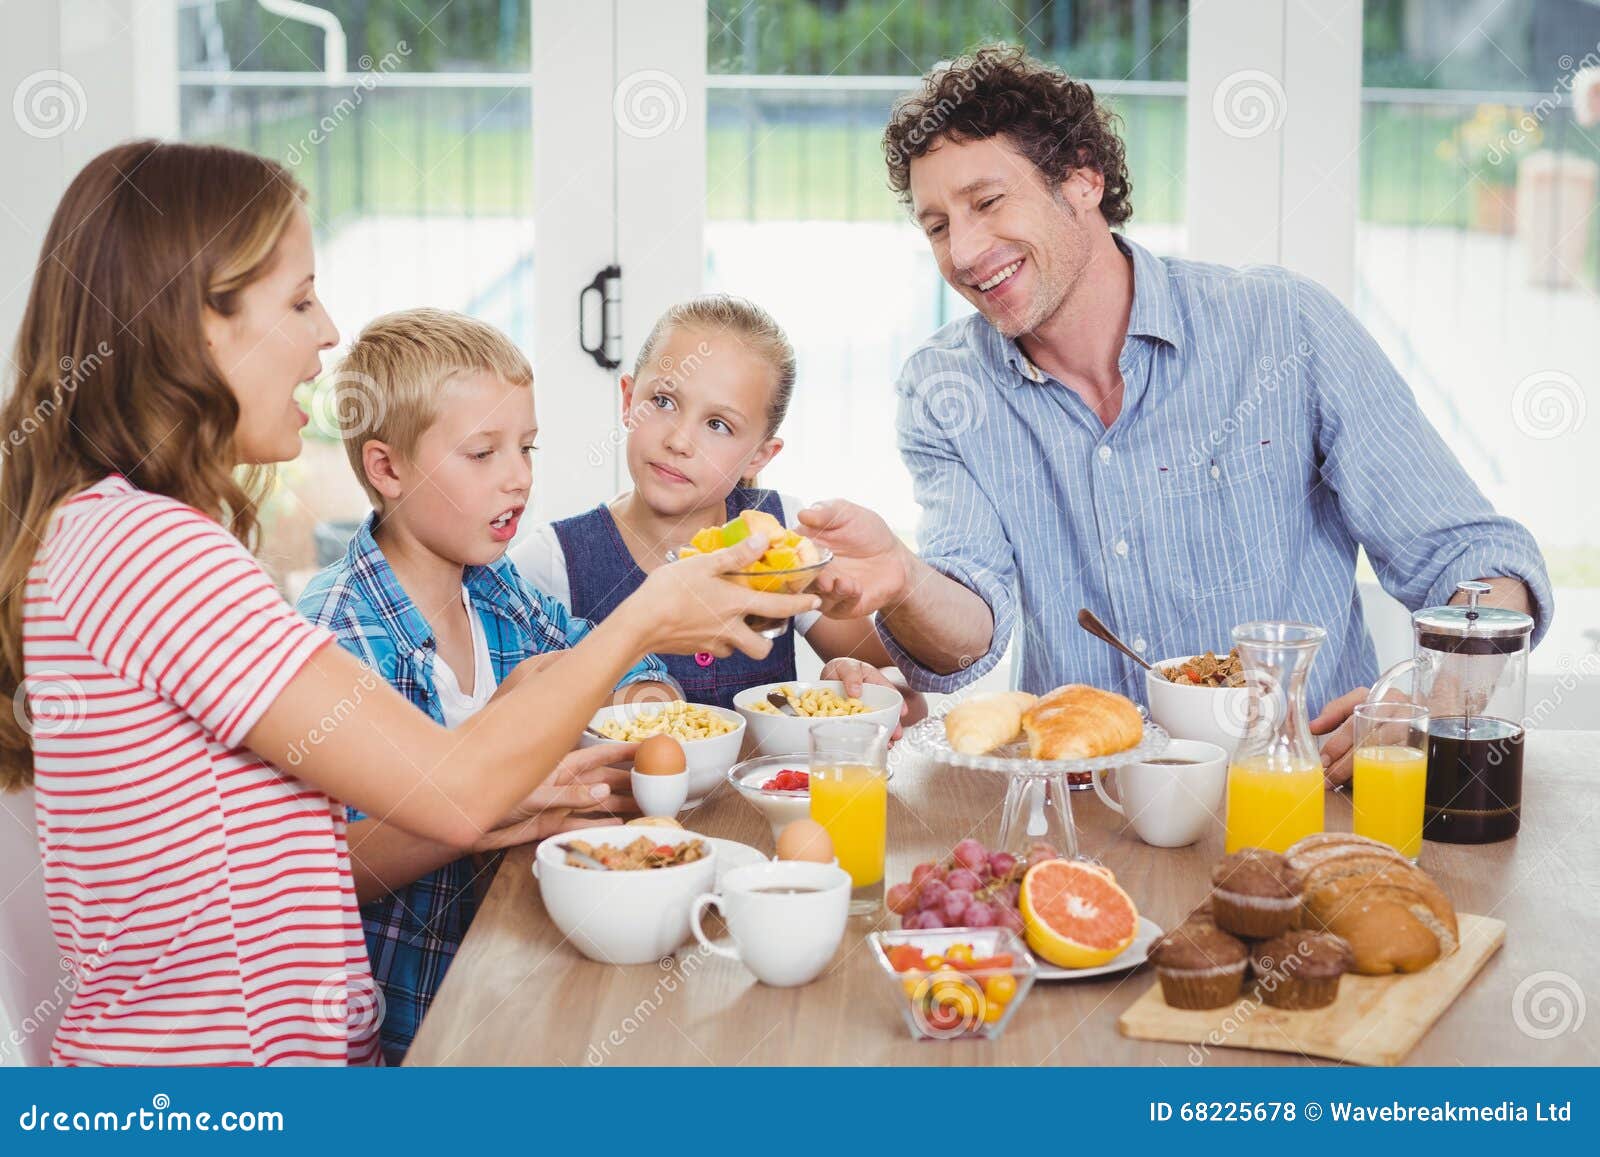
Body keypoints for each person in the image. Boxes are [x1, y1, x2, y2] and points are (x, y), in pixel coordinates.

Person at [0, 141, 816, 1066]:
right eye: (299, 300)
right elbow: (453, 795)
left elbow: (327, 830)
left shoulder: (113, 533)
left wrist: (523, 754)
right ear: (194, 323)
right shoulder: (151, 552)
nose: (326, 332)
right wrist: (650, 612)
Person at [801, 45, 1552, 783]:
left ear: (1083, 178)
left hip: (1308, 792)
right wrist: (904, 578)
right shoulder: (943, 388)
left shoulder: (1281, 325)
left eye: (988, 202)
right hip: (1089, 810)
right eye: (937, 225)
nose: (963, 252)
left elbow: (1478, 565)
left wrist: (1422, 703)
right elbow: (970, 639)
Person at [296, 308, 676, 1064]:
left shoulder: (497, 589)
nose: (519, 476)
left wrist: (645, 707)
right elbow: (333, 868)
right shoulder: (337, 631)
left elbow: (611, 660)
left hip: (520, 965)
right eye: (482, 453)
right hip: (415, 1023)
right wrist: (491, 774)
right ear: (387, 469)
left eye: (526, 448)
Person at [514, 295, 925, 729]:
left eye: (718, 425)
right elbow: (503, 725)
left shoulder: (785, 540)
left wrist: (860, 681)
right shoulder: (553, 560)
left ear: (759, 456)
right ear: (629, 400)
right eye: (663, 402)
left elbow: (909, 700)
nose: (679, 441)